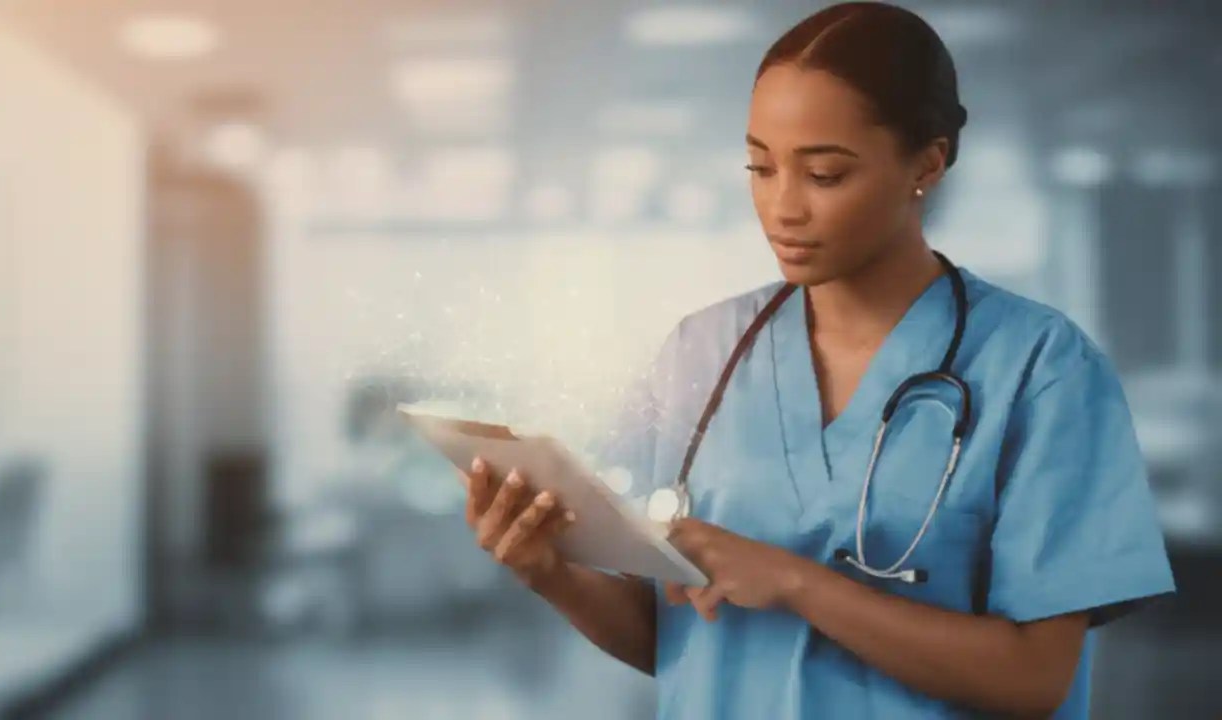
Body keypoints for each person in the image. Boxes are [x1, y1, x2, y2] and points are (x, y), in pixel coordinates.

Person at [458, 2, 1175, 717]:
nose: (782, 208)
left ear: (927, 163)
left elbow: (1036, 680)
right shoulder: (701, 354)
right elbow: (675, 638)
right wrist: (548, 572)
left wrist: (798, 582)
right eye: (761, 168)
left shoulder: (1041, 371)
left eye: (824, 175)